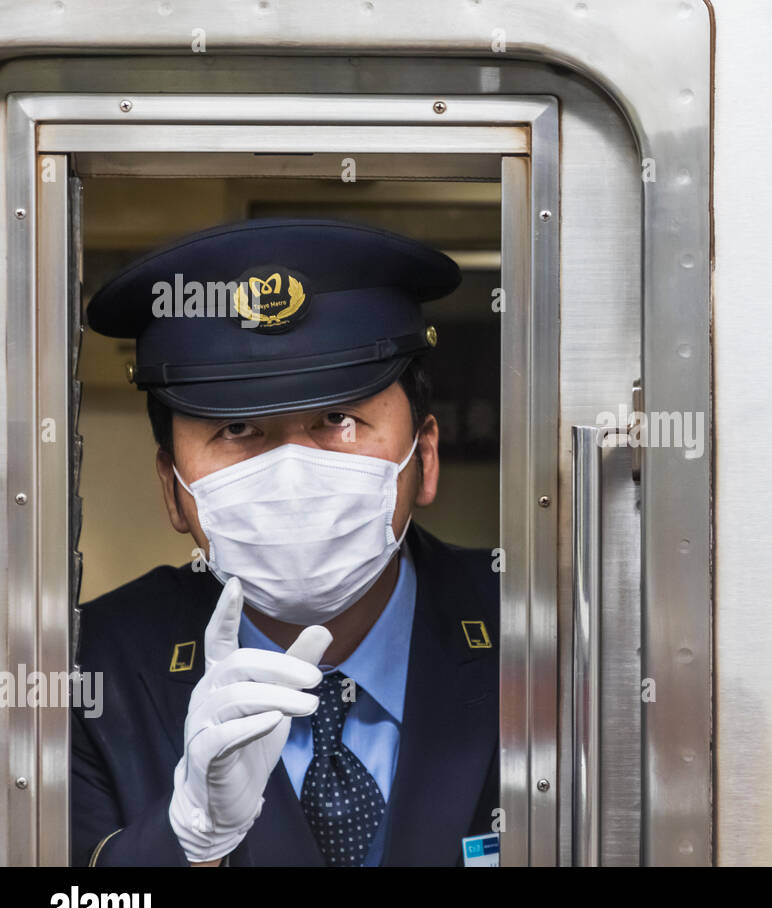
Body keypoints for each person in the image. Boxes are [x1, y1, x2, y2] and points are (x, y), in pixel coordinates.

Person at [71, 218, 500, 866]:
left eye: (338, 419)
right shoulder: (85, 672)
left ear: (426, 457)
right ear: (172, 488)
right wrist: (189, 840)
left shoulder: (538, 634)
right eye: (239, 429)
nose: (293, 473)